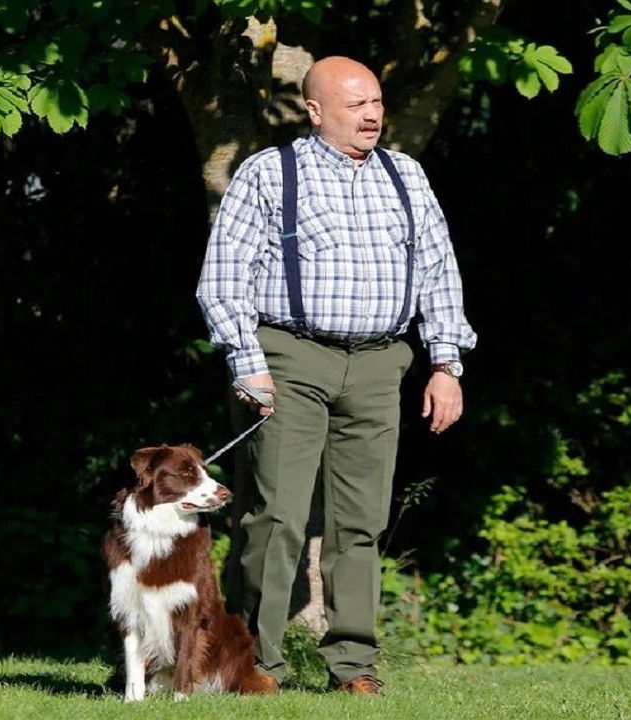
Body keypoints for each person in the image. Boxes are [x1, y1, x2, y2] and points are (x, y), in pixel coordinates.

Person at [195, 55, 476, 694]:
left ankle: (354, 666)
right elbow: (225, 280)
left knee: (362, 522)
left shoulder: (405, 175)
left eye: (376, 101)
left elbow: (440, 275)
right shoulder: (270, 174)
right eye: (356, 104)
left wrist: (446, 364)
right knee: (276, 516)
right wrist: (248, 363)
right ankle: (251, 663)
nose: (373, 114)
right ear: (315, 110)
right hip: (290, 357)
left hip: (381, 363)